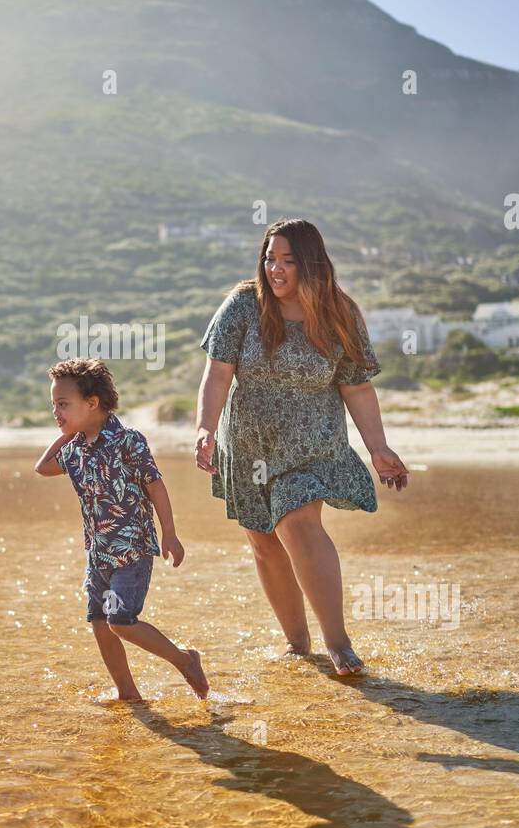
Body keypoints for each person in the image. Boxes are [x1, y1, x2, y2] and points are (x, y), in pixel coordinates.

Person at [195, 217, 408, 676]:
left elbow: (356, 388)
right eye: (270, 258)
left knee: (297, 522)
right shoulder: (242, 306)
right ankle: (297, 642)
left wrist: (378, 447)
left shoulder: (339, 314)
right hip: (249, 446)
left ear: (310, 264)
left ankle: (338, 642)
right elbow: (217, 374)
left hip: (312, 446)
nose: (276, 269)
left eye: (288, 260)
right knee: (264, 541)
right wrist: (204, 428)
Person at [35, 357, 209, 702]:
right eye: (54, 404)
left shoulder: (128, 441)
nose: (56, 412)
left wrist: (170, 534)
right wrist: (65, 433)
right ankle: (127, 692)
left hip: (133, 550)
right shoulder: (75, 450)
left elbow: (155, 486)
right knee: (99, 621)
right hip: (97, 554)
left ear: (93, 402)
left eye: (63, 404)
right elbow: (42, 467)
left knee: (121, 620)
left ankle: (184, 659)